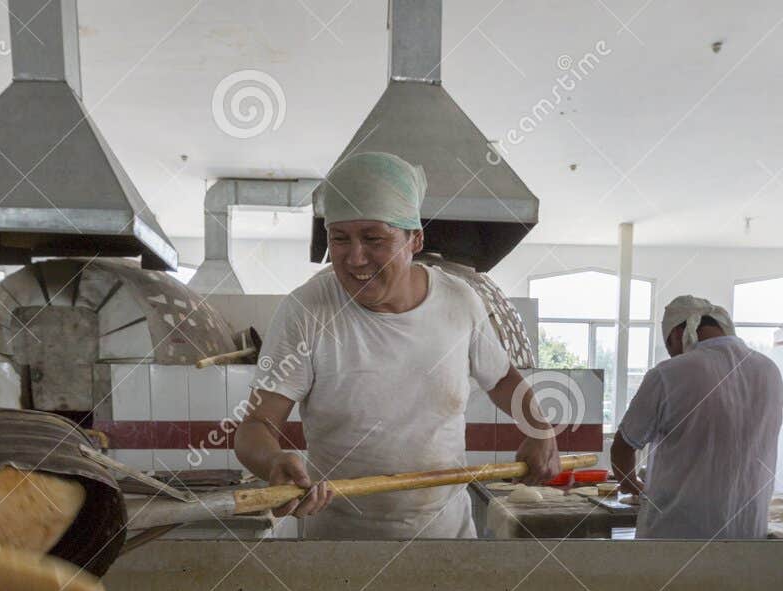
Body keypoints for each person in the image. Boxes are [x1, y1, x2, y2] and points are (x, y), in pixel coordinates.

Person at [233, 151, 559, 539]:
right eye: (340, 239)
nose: (355, 258)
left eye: (374, 238)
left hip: (446, 537)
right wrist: (272, 462)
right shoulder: (306, 312)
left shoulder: (460, 302)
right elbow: (255, 425)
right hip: (338, 541)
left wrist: (540, 428)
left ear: (414, 239)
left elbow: (502, 378)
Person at [608, 295, 783, 539]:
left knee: (670, 579)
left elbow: (623, 447)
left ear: (678, 334)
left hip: (676, 532)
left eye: (669, 345)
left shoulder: (669, 373)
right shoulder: (769, 370)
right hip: (747, 532)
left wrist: (631, 484)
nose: (672, 354)